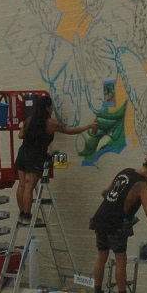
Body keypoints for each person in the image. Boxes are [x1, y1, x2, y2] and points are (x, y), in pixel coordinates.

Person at [89, 155, 147, 293]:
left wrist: (117, 205)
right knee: (120, 258)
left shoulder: (125, 171)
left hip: (100, 217)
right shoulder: (143, 186)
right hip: (116, 223)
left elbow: (105, 191)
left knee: (102, 256)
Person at [14, 95, 96, 225]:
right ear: (47, 108)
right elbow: (71, 131)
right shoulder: (51, 123)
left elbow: (20, 135)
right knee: (30, 186)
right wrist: (88, 126)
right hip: (36, 157)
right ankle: (28, 216)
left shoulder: (30, 120)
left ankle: (22, 214)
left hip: (23, 153)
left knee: (22, 185)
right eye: (51, 106)